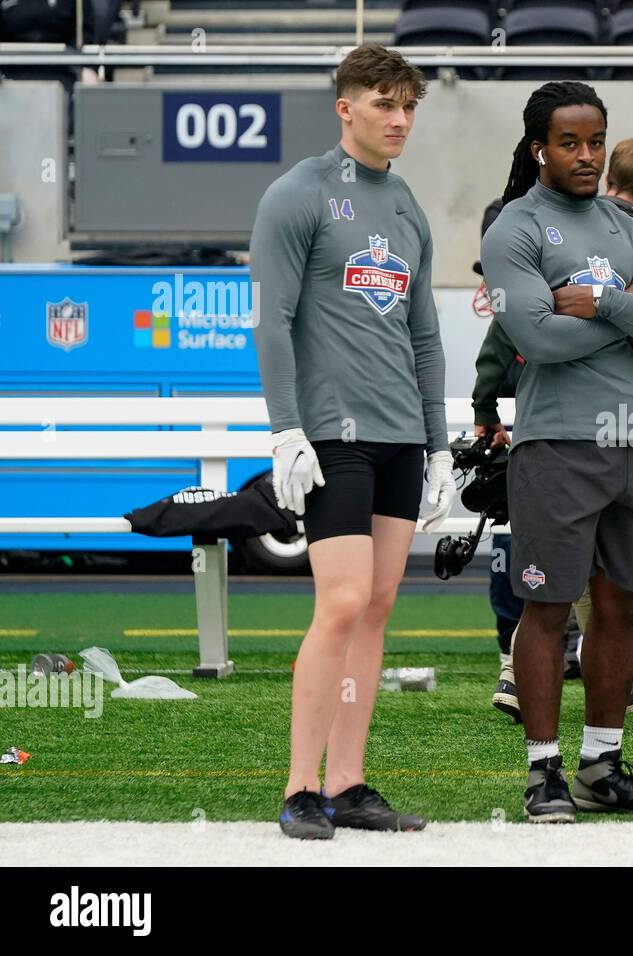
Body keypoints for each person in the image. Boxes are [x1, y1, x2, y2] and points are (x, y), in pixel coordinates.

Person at [251, 43, 455, 839]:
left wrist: (440, 446)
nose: (399, 119)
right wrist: (284, 428)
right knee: (338, 603)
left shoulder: (405, 204)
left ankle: (349, 782)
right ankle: (301, 789)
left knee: (376, 606)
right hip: (333, 435)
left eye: (409, 106)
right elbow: (270, 321)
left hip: (403, 433)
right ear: (346, 106)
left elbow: (427, 335)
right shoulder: (296, 194)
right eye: (383, 103)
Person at [479, 81, 633, 823]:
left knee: (620, 607)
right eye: (569, 142)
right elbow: (534, 338)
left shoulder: (628, 226)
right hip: (556, 447)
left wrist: (600, 305)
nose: (587, 156)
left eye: (596, 141)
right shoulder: (514, 229)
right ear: (539, 147)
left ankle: (602, 765)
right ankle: (544, 774)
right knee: (544, 609)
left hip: (632, 445)